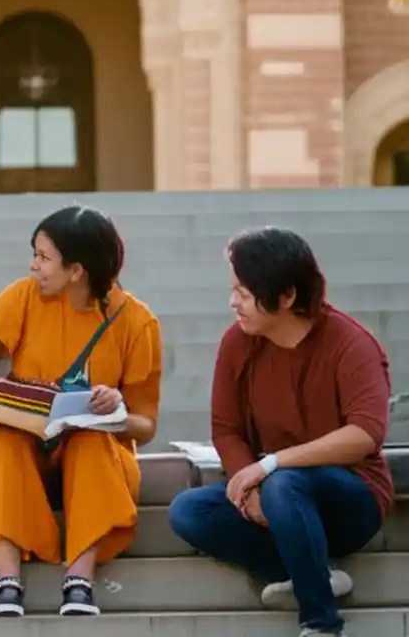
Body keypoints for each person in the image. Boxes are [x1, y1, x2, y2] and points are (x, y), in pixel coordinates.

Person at [0, 205, 163, 618]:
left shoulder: (137, 322)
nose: (34, 265)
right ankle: (7, 581)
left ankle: (79, 578)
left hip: (99, 456)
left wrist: (116, 412)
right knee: (1, 443)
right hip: (27, 444)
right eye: (35, 254)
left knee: (92, 444)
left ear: (76, 270)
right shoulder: (23, 296)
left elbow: (145, 426)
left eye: (44, 257)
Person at [167, 227, 391, 637]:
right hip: (273, 499)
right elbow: (227, 429)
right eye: (233, 288)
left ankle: (321, 622)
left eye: (244, 291)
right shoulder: (238, 342)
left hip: (349, 498)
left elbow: (365, 434)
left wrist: (268, 466)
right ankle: (311, 571)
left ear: (286, 297)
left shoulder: (349, 343)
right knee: (188, 511)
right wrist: (246, 485)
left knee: (285, 484)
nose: (233, 302)